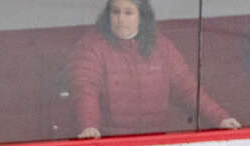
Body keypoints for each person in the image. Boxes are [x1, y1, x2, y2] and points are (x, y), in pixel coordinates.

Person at [69, 0, 239, 138]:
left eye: (128, 13)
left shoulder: (162, 46)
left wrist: (220, 119)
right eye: (115, 12)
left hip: (156, 141)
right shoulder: (91, 47)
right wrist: (89, 127)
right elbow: (85, 90)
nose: (120, 19)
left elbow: (187, 88)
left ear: (141, 17)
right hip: (110, 141)